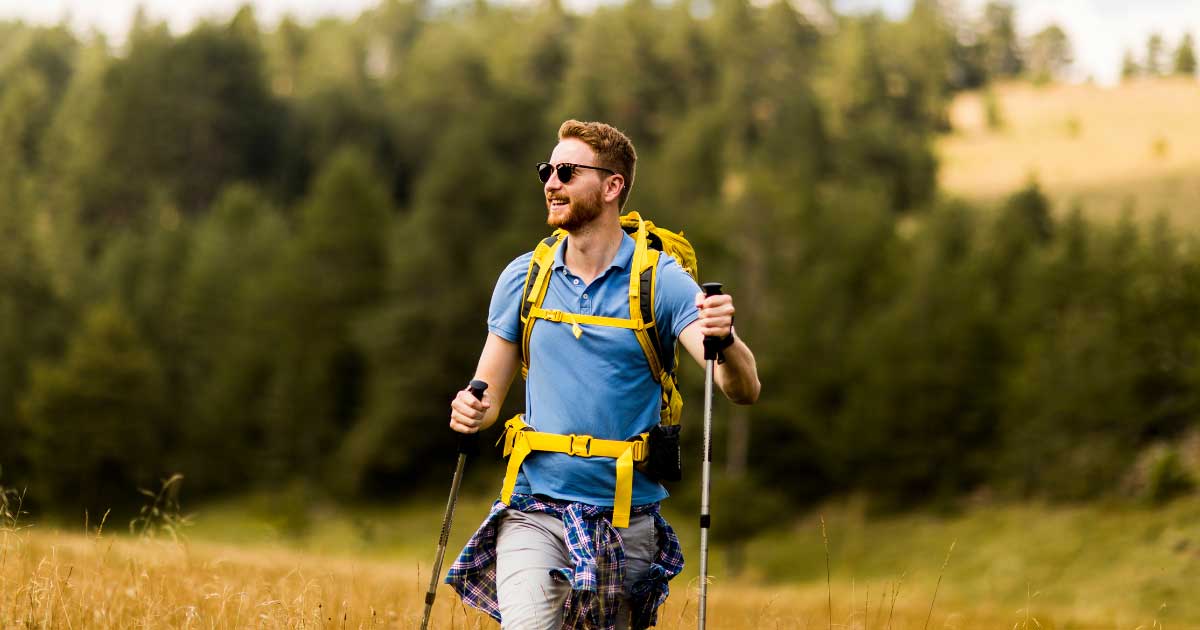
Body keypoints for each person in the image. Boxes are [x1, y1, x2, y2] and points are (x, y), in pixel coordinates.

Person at [444, 119, 760, 630]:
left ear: (613, 186)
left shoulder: (662, 281)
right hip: (533, 509)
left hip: (626, 522)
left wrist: (728, 338)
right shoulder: (524, 277)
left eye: (567, 172)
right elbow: (487, 397)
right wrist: (469, 410)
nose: (551, 183)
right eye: (548, 170)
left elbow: (739, 387)